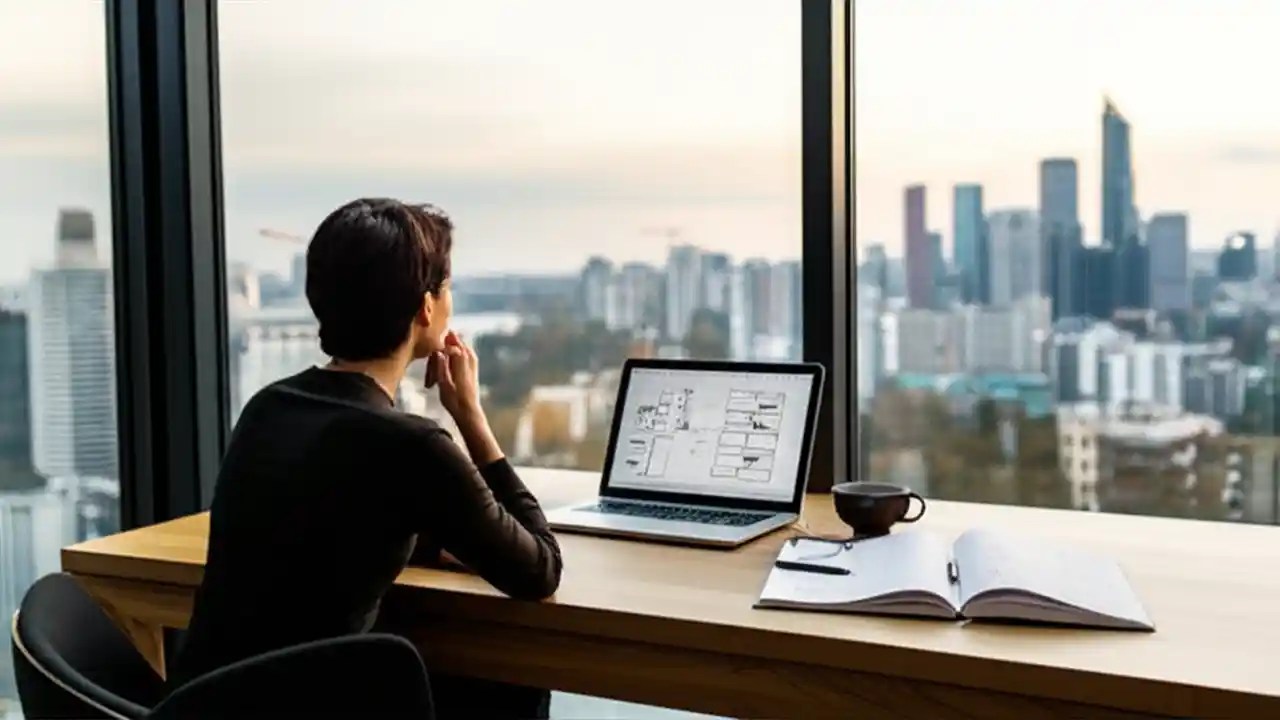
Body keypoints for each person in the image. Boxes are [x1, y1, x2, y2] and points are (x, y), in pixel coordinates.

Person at [168, 198, 562, 718]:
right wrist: (471, 416)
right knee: (513, 679)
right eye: (446, 289)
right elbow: (539, 568)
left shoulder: (267, 407)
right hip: (302, 708)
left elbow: (335, 523)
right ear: (426, 308)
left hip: (204, 707)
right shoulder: (414, 445)